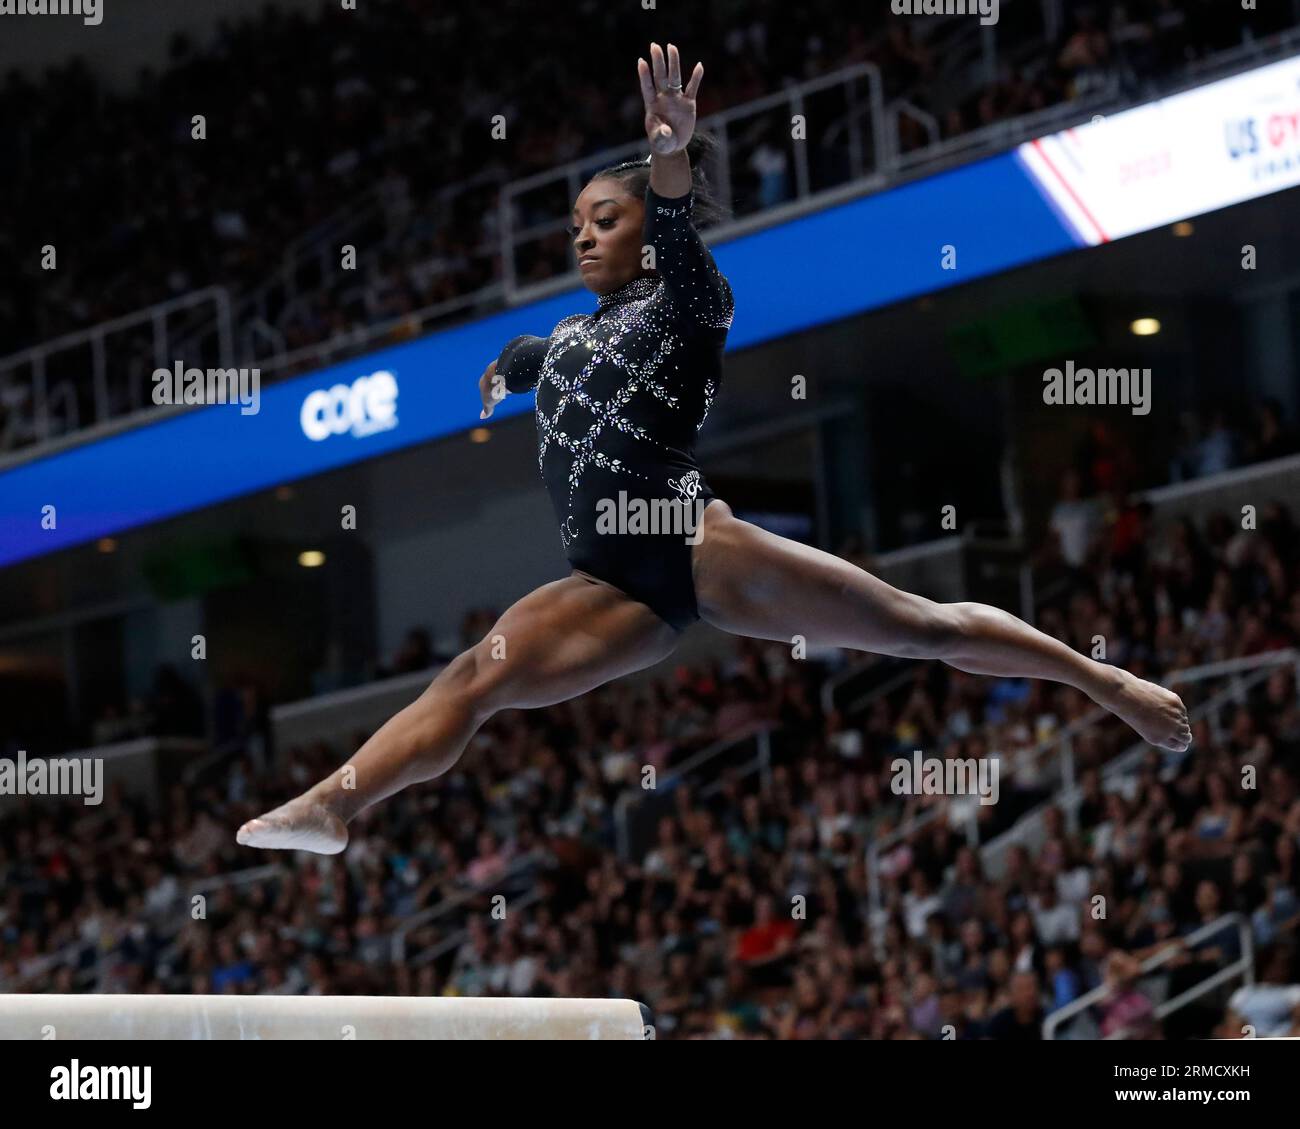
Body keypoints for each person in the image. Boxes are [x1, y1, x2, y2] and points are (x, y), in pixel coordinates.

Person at [237, 43, 1191, 856]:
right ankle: (335, 804)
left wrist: (668, 163)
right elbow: (538, 355)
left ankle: (1102, 680)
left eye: (604, 221)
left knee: (919, 626)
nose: (582, 239)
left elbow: (683, 251)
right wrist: (505, 365)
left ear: (651, 231)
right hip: (609, 583)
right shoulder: (569, 335)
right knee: (473, 679)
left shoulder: (688, 306)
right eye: (574, 226)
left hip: (694, 548)